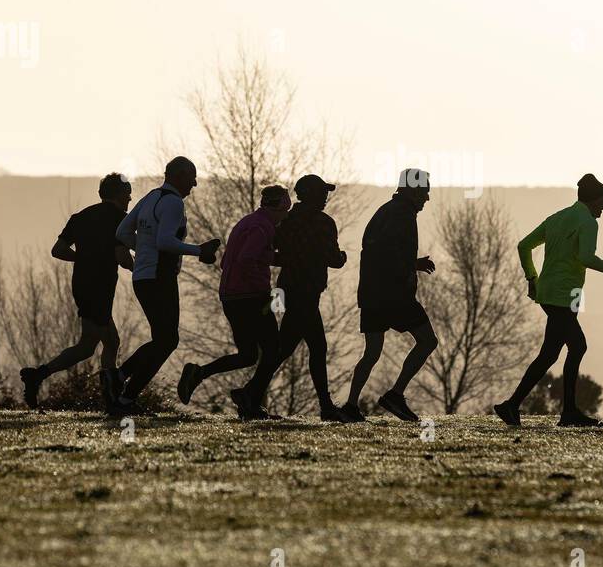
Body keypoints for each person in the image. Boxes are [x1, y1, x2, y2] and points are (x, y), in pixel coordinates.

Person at [493, 174, 603, 428]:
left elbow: (524, 246)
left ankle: (512, 405)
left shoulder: (557, 218)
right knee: (578, 346)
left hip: (549, 294)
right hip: (565, 297)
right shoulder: (588, 222)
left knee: (549, 354)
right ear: (594, 199)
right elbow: (587, 257)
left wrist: (532, 277)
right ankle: (568, 413)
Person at [112, 156, 219, 416]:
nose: (194, 183)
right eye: (191, 177)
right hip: (161, 277)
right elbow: (165, 242)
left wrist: (144, 250)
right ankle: (122, 387)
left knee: (164, 339)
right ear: (179, 176)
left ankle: (122, 388)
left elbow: (123, 233)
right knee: (168, 340)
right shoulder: (173, 203)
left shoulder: (150, 197)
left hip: (143, 277)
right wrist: (199, 250)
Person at [18, 173, 134, 408]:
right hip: (101, 287)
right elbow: (121, 257)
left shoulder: (80, 217)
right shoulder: (122, 220)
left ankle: (37, 375)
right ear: (120, 195)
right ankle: (112, 399)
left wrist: (83, 258)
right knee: (111, 341)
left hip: (81, 285)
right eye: (128, 193)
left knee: (88, 346)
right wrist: (141, 268)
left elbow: (58, 250)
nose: (130, 198)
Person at [178, 186, 292, 420]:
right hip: (251, 297)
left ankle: (199, 373)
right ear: (277, 208)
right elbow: (246, 259)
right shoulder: (263, 228)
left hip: (231, 296)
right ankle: (248, 398)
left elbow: (235, 259)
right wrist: (262, 291)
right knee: (273, 350)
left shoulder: (249, 222)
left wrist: (272, 258)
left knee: (248, 355)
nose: (285, 216)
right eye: (285, 210)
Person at [244, 174, 350, 422]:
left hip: (289, 290)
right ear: (311, 194)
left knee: (285, 348)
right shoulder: (324, 223)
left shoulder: (286, 221)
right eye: (322, 193)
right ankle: (325, 406)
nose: (325, 197)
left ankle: (250, 392)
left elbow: (275, 252)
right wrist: (341, 256)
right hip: (308, 293)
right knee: (315, 347)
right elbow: (333, 259)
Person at [341, 168, 438, 423]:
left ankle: (351, 405)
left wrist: (412, 263)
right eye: (424, 192)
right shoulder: (403, 215)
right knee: (428, 341)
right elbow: (390, 255)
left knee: (372, 352)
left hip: (373, 294)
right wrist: (408, 268)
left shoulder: (387, 210)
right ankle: (395, 394)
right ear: (413, 191)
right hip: (394, 294)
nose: (427, 198)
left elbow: (378, 251)